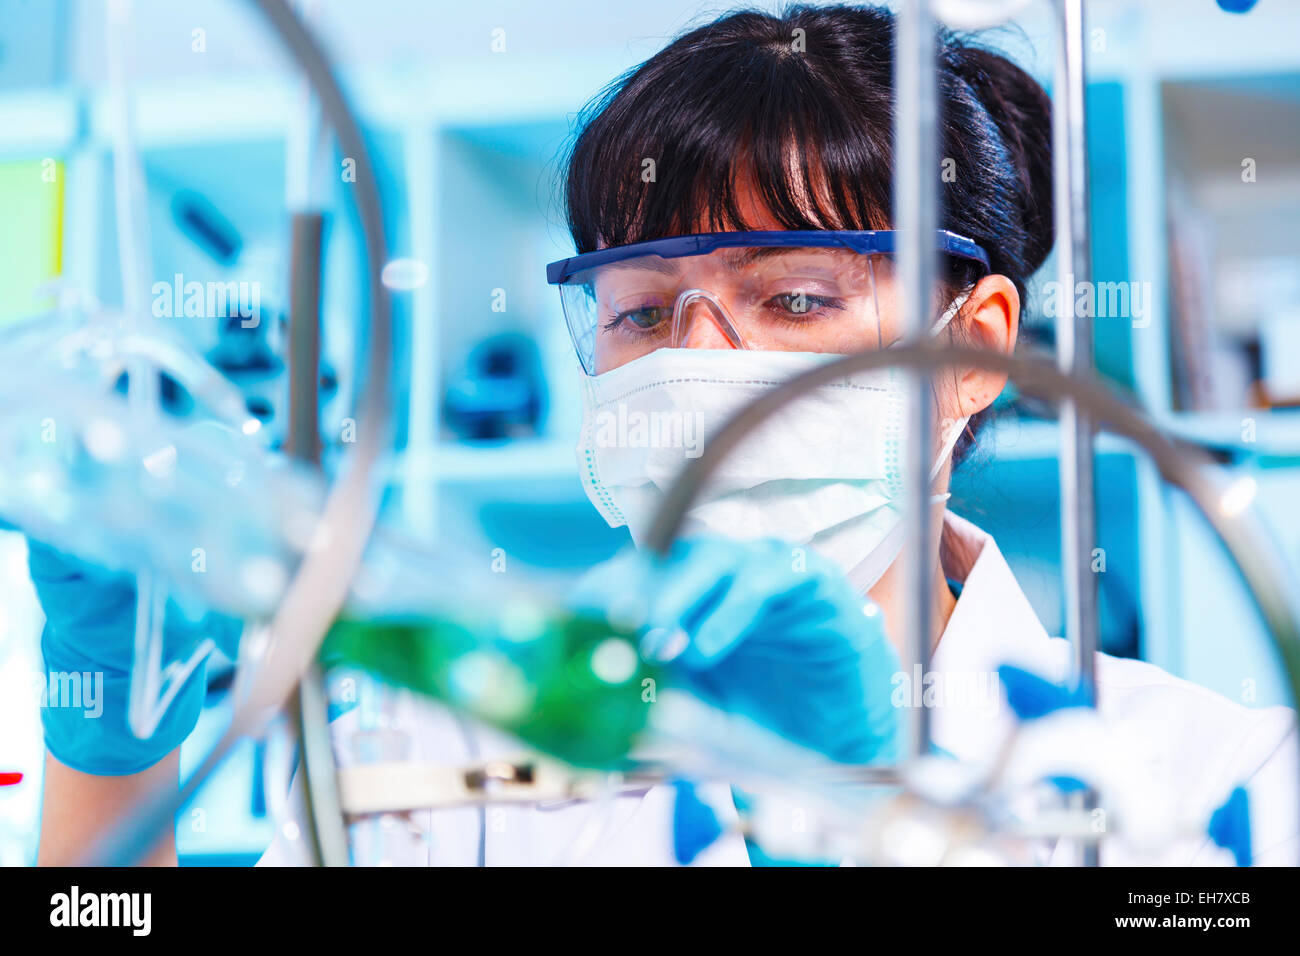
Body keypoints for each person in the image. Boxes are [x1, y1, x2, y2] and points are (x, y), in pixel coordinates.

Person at [34, 4, 1297, 867]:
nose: (702, 362)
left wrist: (859, 818)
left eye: (794, 297)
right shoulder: (433, 754)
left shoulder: (1200, 779)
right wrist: (111, 748)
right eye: (642, 311)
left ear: (972, 347)